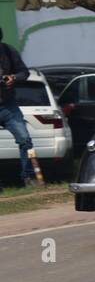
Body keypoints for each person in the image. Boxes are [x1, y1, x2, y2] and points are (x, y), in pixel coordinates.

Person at [0, 27, 37, 187]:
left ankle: (28, 177)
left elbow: (24, 72)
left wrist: (13, 77)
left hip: (8, 105)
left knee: (25, 140)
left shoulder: (8, 51)